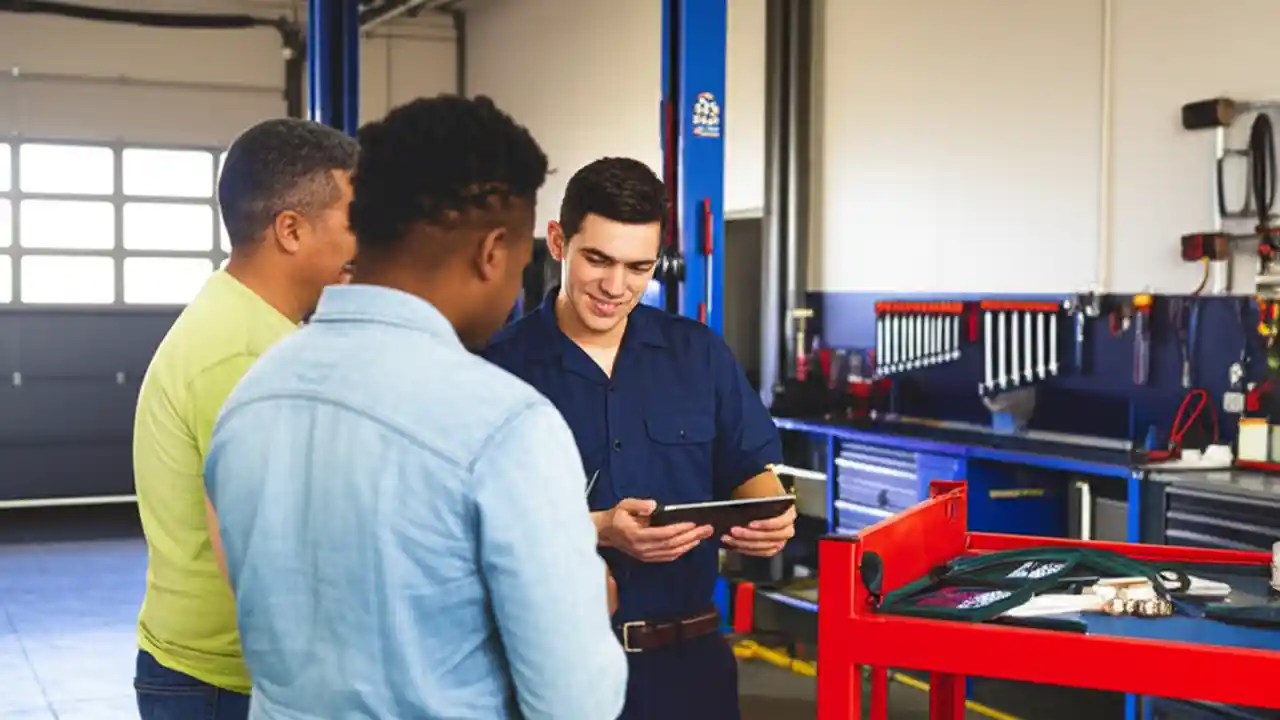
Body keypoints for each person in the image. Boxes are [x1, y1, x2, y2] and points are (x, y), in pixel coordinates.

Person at [203, 95, 627, 720]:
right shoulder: (505, 427)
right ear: (492, 252)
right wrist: (588, 602)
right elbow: (574, 703)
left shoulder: (251, 399)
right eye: (520, 261)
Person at [482, 157, 796, 719]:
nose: (615, 286)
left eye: (637, 267)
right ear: (558, 242)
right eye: (598, 260)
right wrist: (600, 528)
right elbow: (468, 527)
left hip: (691, 670)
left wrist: (767, 513)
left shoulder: (698, 354)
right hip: (554, 672)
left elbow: (752, 468)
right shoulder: (498, 370)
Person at [131, 118, 359, 719]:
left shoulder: (254, 325)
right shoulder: (245, 358)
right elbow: (272, 564)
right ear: (290, 230)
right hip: (225, 686)